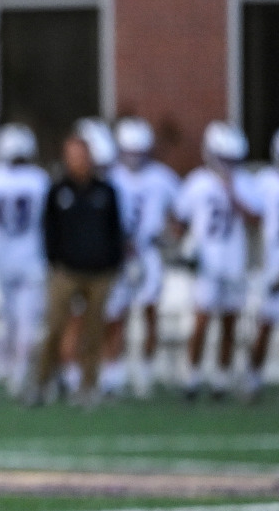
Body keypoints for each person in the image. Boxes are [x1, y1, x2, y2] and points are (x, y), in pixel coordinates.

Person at [33, 133, 125, 405]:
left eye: (82, 155)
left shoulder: (105, 191)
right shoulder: (58, 190)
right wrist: (55, 262)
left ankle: (88, 387)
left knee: (94, 332)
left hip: (99, 272)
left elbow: (115, 231)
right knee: (55, 327)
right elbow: (49, 229)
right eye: (72, 155)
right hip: (66, 270)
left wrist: (113, 263)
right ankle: (42, 382)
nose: (78, 161)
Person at [173, 121, 253, 400]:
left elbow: (255, 217)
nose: (229, 164)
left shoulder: (244, 182)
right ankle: (190, 378)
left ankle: (220, 380)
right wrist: (185, 247)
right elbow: (180, 219)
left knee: (230, 323)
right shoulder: (197, 182)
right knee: (201, 322)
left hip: (234, 260)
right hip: (207, 262)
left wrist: (233, 193)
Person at [103, 117, 181, 397]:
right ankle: (113, 372)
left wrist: (170, 237)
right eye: (129, 151)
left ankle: (145, 373)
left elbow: (181, 214)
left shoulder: (162, 177)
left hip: (149, 252)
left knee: (149, 312)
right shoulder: (110, 177)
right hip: (118, 253)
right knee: (115, 314)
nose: (134, 158)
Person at [0, 124, 47, 399]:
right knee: (25, 322)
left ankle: (14, 370)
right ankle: (18, 372)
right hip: (30, 258)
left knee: (10, 321)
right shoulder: (39, 180)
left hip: (2, 258)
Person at [246, 129, 279, 402]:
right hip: (273, 263)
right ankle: (252, 378)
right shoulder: (265, 182)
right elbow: (253, 219)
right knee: (265, 323)